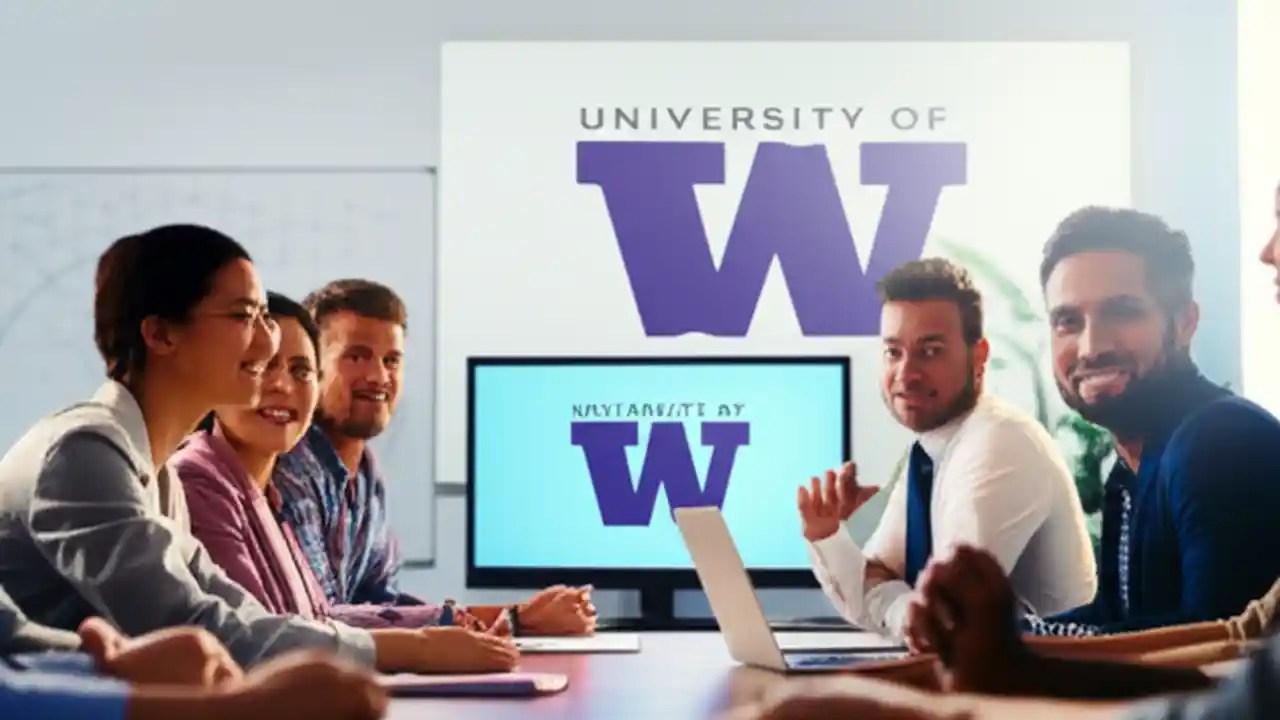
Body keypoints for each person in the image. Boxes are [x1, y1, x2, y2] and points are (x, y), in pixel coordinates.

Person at [0, 224, 518, 674]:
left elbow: (237, 611)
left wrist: (417, 643)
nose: (269, 342)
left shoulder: (156, 474)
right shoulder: (84, 453)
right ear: (160, 334)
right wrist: (412, 649)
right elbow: (193, 630)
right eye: (246, 315)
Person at [174, 291, 589, 636]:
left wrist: (473, 625)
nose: (378, 377)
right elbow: (293, 629)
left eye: (392, 360)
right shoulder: (274, 468)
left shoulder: (354, 472)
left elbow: (372, 604)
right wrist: (505, 620)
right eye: (356, 357)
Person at [800, 258, 1096, 641]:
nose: (906, 374)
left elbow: (940, 620)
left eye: (930, 351)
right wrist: (825, 533)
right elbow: (868, 590)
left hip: (1035, 692)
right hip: (980, 684)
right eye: (894, 352)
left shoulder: (1000, 442)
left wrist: (890, 598)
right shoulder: (929, 454)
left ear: (979, 356)